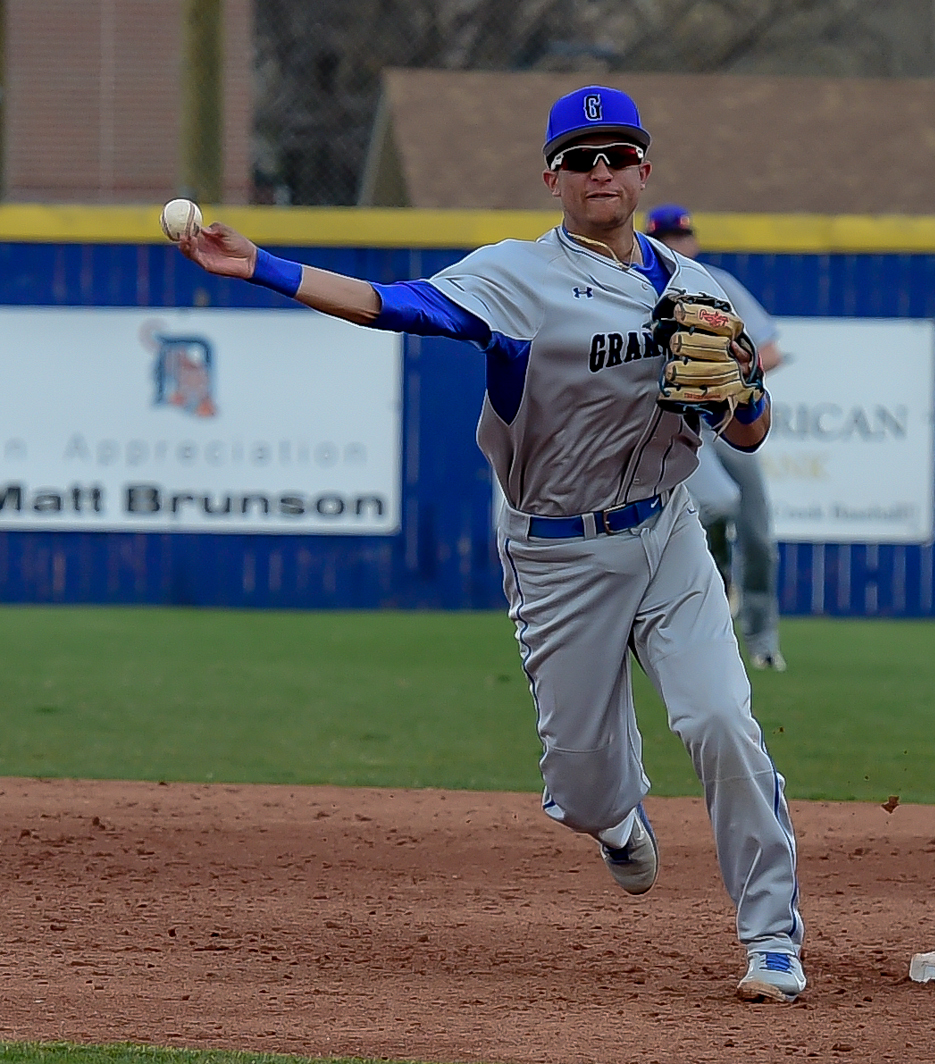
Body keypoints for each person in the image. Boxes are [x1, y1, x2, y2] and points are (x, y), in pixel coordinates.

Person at [175, 85, 806, 1004]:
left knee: (720, 721)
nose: (602, 171)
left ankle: (772, 938)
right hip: (557, 552)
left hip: (666, 534)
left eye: (619, 154)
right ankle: (616, 816)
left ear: (645, 170)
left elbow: (749, 434)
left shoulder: (698, 290)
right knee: (587, 791)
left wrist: (742, 396)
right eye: (582, 158)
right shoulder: (516, 276)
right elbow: (393, 305)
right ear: (552, 177)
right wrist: (262, 265)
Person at [645, 205, 787, 672]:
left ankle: (764, 641)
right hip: (679, 426)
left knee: (760, 533)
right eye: (665, 236)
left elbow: (767, 350)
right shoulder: (638, 288)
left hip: (725, 418)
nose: (676, 244)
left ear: (694, 241)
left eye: (682, 236)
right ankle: (721, 580)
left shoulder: (716, 284)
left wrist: (734, 373)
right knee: (719, 504)